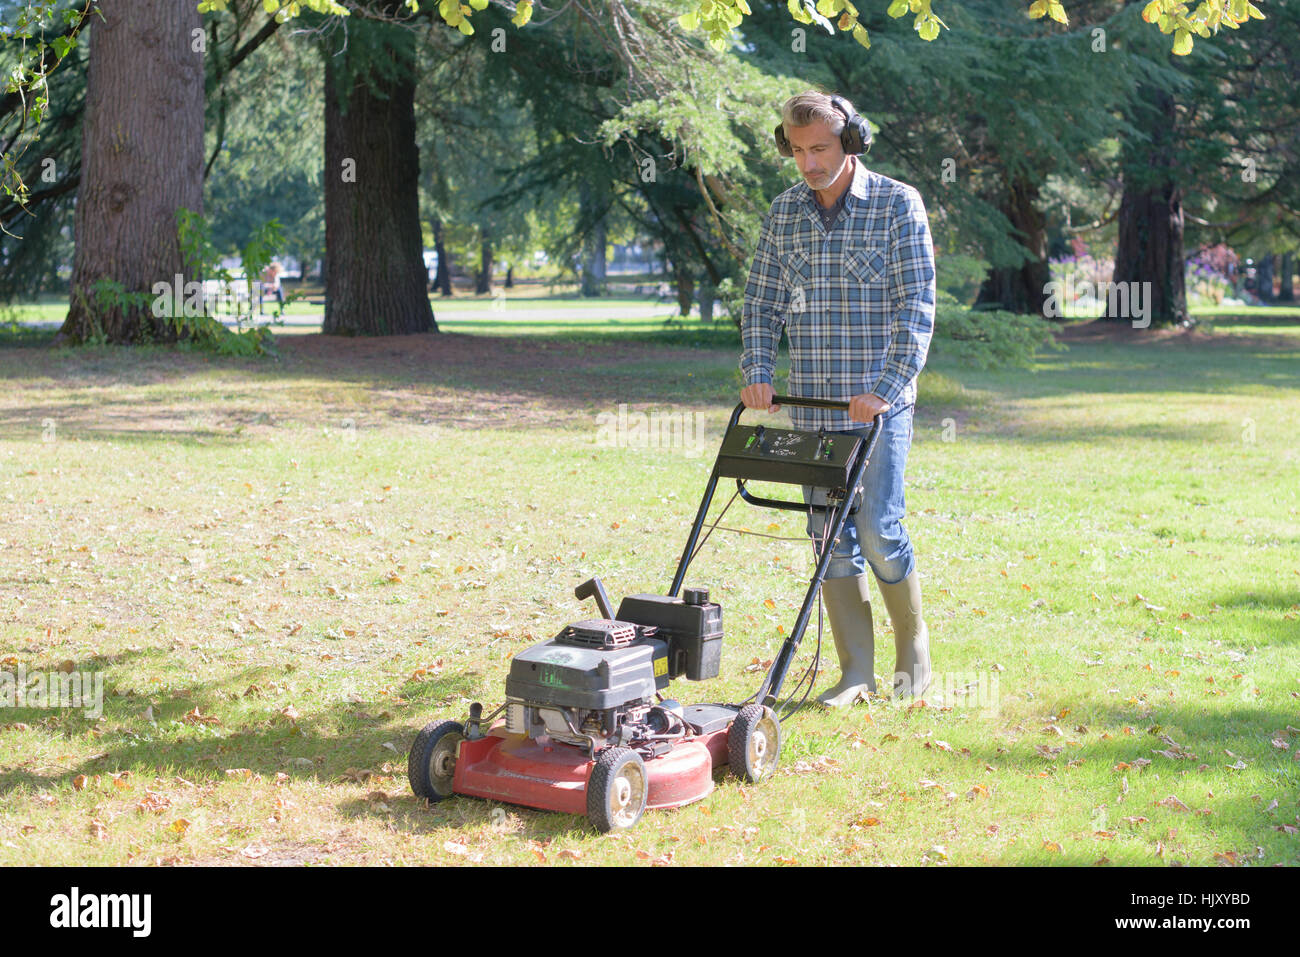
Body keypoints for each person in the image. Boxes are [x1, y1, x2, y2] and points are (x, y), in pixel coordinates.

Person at [739, 90, 936, 705]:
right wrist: (758, 368)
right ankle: (855, 673)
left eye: (820, 148)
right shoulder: (784, 213)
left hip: (879, 404)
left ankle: (913, 652)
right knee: (828, 535)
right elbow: (761, 302)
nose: (809, 163)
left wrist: (884, 388)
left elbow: (918, 306)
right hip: (813, 408)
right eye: (797, 151)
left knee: (878, 530)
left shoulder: (897, 205)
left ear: (851, 141)